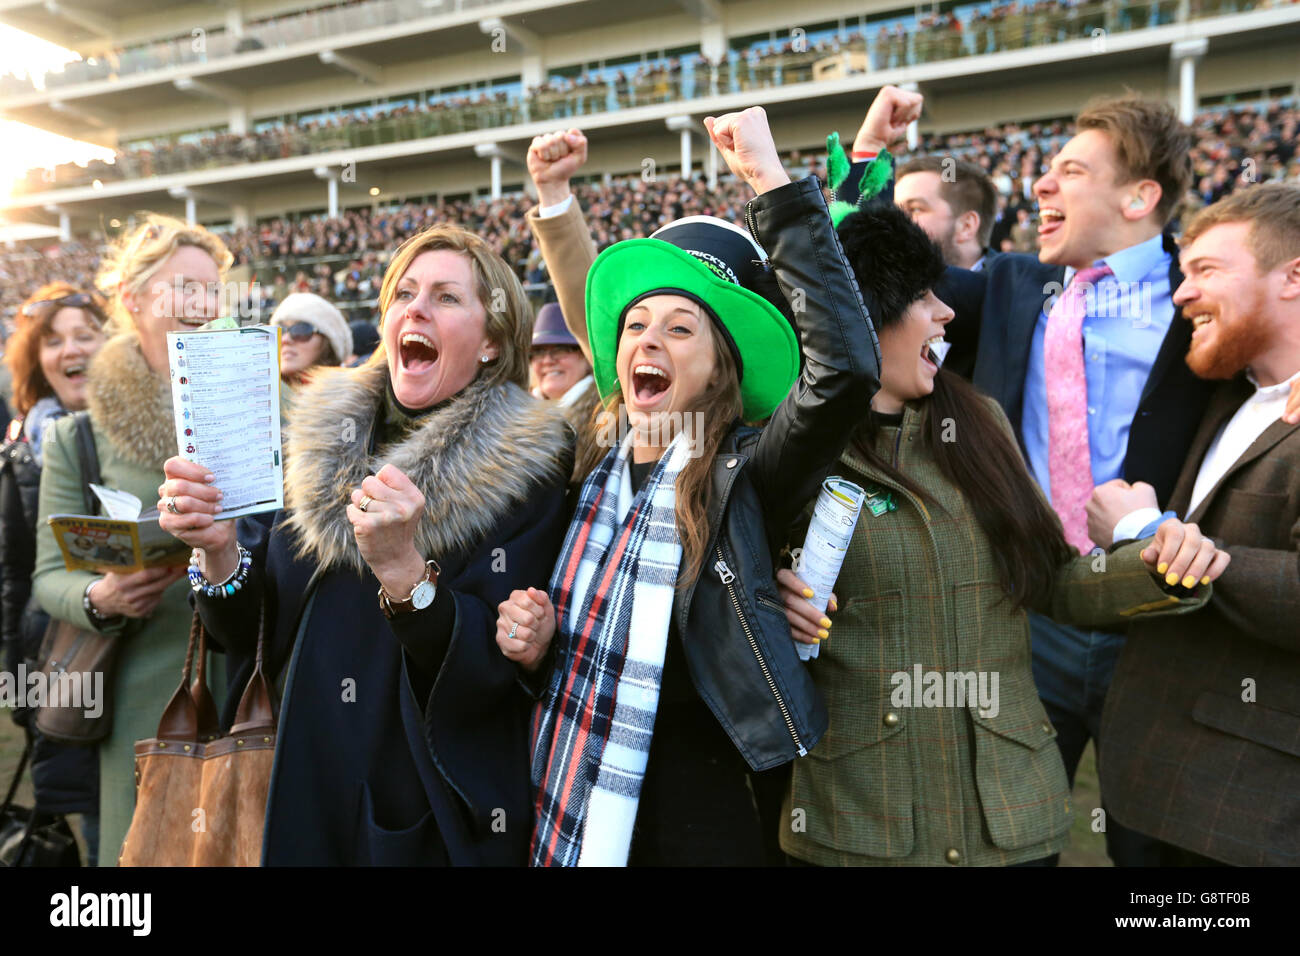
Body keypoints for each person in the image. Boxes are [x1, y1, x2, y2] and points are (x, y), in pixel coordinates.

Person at [776, 200, 1227, 867]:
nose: (946, 311)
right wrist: (771, 604)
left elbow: (1053, 582)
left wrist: (1157, 568)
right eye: (921, 296)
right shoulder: (786, 448)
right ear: (861, 314)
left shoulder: (979, 420)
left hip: (1013, 822)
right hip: (858, 825)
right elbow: (728, 601)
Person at [501, 106, 881, 866]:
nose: (648, 339)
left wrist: (769, 180)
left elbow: (844, 373)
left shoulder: (748, 469)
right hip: (569, 784)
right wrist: (537, 647)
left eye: (681, 328)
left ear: (719, 369)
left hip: (702, 809)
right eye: (637, 324)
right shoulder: (586, 464)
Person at [157, 224, 573, 866]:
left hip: (408, 809)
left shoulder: (532, 465)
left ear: (492, 342)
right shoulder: (313, 436)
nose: (417, 308)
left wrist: (405, 573)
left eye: (446, 297)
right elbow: (245, 630)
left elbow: (497, 673)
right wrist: (216, 549)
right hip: (285, 781)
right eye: (404, 292)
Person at [1088, 183, 1300, 865]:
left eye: (1206, 270)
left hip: (1249, 815)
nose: (1182, 296)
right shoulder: (1221, 396)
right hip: (1150, 788)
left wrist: (1154, 538)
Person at [32, 215, 233, 865]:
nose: (202, 305)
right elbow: (48, 576)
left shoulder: (268, 416)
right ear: (133, 300)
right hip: (141, 702)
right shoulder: (78, 437)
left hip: (254, 685)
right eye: (183, 287)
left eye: (212, 290)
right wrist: (104, 597)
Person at [0, 283, 107, 864]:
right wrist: (23, 685)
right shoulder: (22, 450)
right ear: (36, 360)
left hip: (144, 655)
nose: (72, 350)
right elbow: (17, 577)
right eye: (54, 340)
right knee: (97, 822)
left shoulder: (147, 433)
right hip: (66, 665)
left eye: (85, 335)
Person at [529, 300, 598, 485]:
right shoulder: (513, 415)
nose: (548, 360)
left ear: (585, 355)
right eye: (537, 352)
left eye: (561, 349)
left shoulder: (604, 420)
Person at [892, 155, 999, 270]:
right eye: (895, 210)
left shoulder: (1014, 284)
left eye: (915, 209)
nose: (894, 220)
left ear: (966, 226)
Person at [271, 292, 351, 387]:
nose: (285, 340)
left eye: (301, 329)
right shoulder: (255, 395)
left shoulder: (355, 399)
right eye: (279, 331)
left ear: (328, 343)